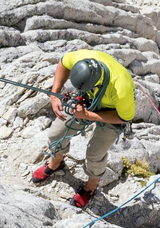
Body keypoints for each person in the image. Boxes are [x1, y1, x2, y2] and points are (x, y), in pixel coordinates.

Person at [31, 49, 135, 207]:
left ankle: (91, 185)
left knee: (95, 154)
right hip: (87, 97)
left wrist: (87, 115)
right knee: (56, 134)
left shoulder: (121, 87)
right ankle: (56, 162)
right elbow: (63, 63)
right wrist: (54, 94)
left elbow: (125, 117)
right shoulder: (83, 58)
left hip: (113, 111)